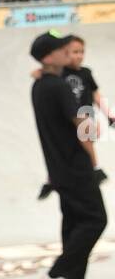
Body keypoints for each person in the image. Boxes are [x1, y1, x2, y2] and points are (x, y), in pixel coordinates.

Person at [29, 33, 108, 279]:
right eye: (62, 49)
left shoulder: (40, 85)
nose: (67, 52)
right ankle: (57, 273)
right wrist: (94, 160)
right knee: (96, 219)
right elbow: (81, 125)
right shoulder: (58, 86)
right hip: (76, 166)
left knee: (74, 221)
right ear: (50, 56)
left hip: (58, 167)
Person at [37, 36, 111, 198]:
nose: (79, 56)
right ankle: (52, 178)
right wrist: (38, 73)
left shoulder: (86, 72)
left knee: (86, 142)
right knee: (65, 147)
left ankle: (95, 168)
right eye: (74, 52)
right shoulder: (61, 72)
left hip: (86, 112)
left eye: (82, 52)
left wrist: (109, 115)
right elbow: (44, 73)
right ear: (65, 54)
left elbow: (96, 95)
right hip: (68, 115)